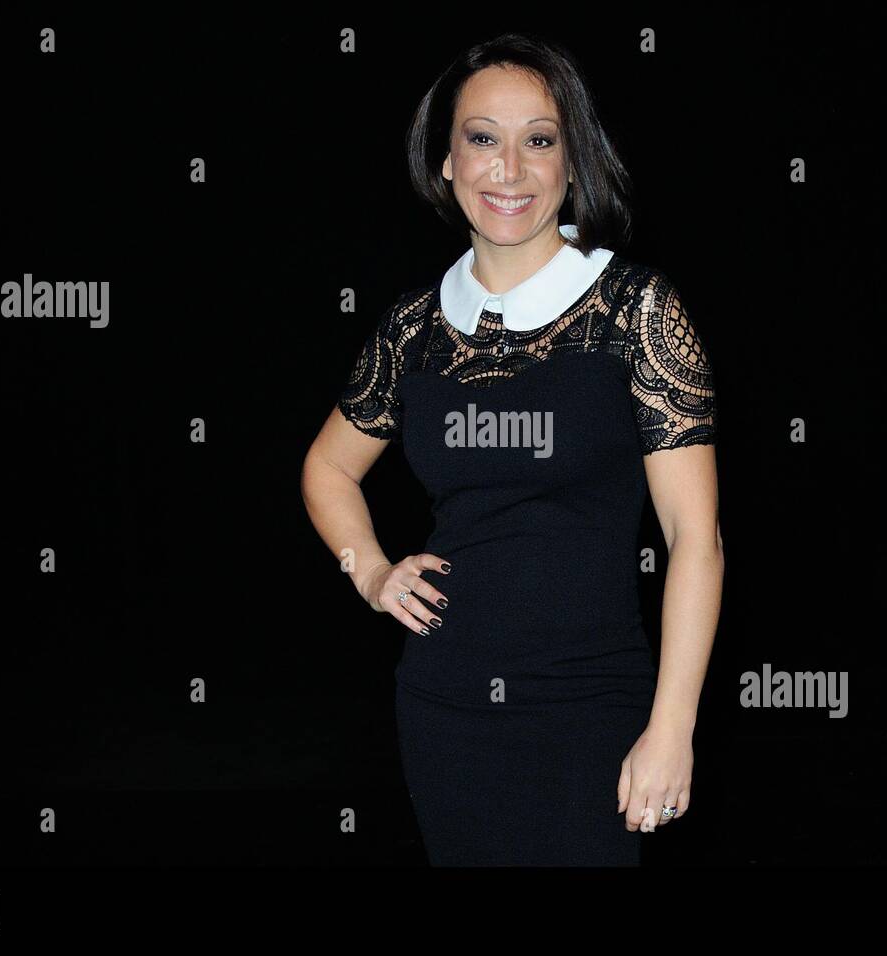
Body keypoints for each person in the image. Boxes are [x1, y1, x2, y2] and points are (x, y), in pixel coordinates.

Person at [301, 32, 724, 865]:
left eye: (540, 139)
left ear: (572, 162)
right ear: (447, 162)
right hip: (442, 702)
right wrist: (374, 571)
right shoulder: (414, 328)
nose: (510, 169)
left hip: (592, 704)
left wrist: (672, 728)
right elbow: (327, 467)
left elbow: (695, 541)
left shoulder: (634, 311)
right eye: (482, 139)